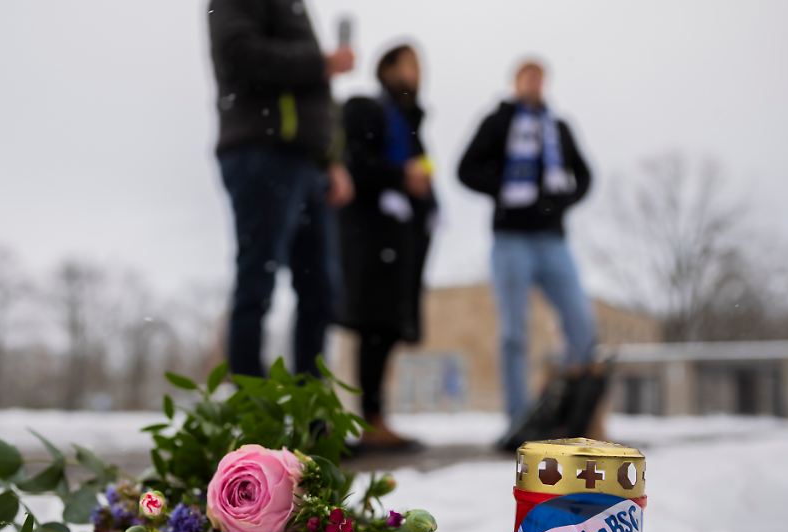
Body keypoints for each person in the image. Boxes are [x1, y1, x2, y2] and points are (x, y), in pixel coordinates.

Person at [207, 0, 355, 378]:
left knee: (320, 291)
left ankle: (311, 412)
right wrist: (319, 63)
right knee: (257, 279)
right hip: (261, 151)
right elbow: (238, 55)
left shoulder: (294, 8)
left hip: (309, 164)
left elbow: (317, 102)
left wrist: (332, 159)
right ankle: (250, 407)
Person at [457, 59, 598, 426]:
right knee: (514, 332)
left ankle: (570, 409)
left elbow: (584, 175)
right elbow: (466, 169)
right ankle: (519, 418)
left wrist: (563, 200)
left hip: (553, 239)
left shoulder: (559, 127)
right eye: (527, 77)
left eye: (539, 77)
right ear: (516, 82)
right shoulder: (498, 122)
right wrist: (504, 187)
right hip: (511, 239)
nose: (533, 83)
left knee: (581, 323)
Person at [338, 44, 435, 446]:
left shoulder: (411, 124)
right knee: (372, 328)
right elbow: (356, 163)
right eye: (410, 64)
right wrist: (401, 175)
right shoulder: (366, 109)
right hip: (370, 238)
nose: (417, 73)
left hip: (401, 241)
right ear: (387, 68)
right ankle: (367, 419)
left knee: (388, 330)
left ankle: (376, 417)